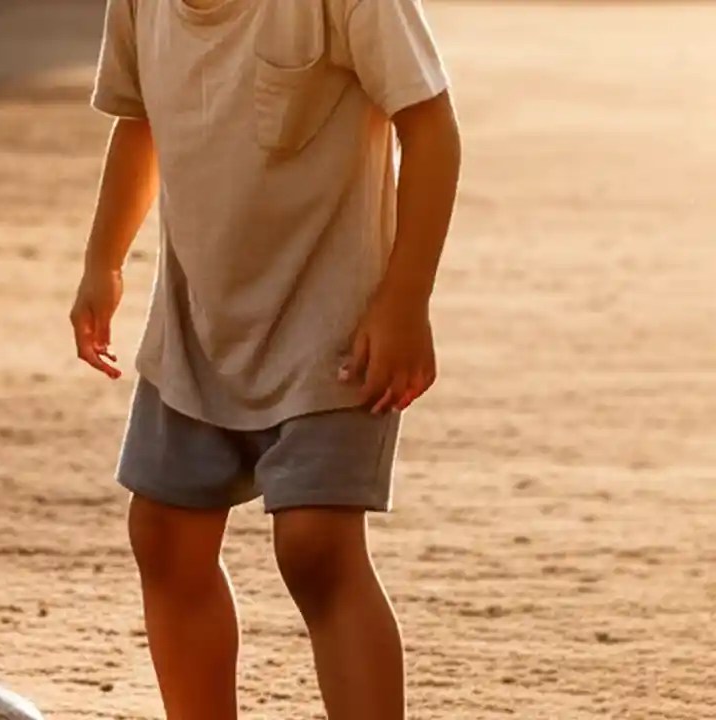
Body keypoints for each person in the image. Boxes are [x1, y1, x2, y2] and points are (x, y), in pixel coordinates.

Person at [69, 0, 462, 717]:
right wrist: (104, 262)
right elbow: (138, 123)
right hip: (197, 329)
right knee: (162, 535)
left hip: (332, 329)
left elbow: (431, 127)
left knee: (316, 547)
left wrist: (405, 301)